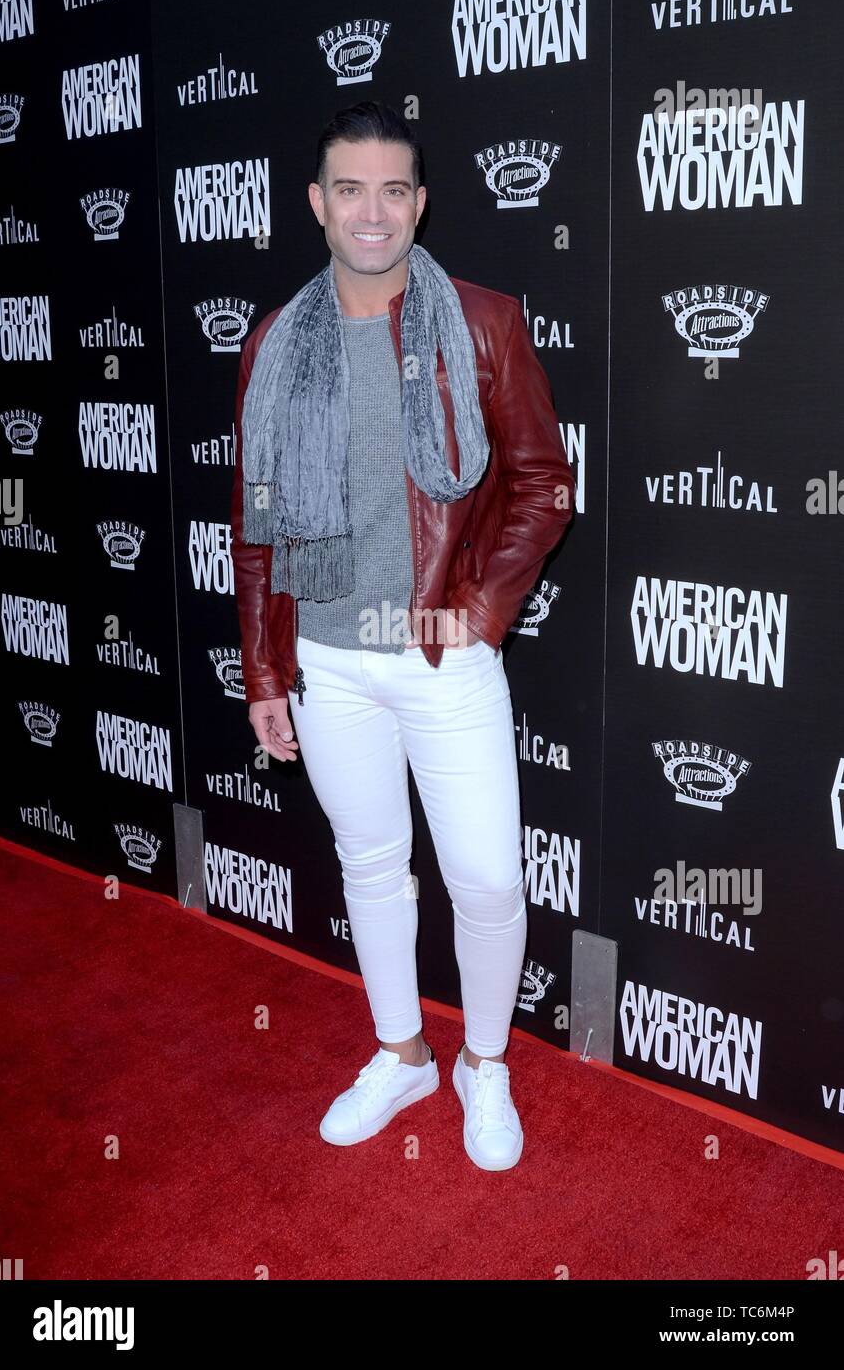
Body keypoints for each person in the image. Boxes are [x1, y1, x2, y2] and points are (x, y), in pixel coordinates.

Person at [231, 101, 575, 1171]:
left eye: (392, 190)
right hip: (329, 660)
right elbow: (255, 520)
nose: (370, 211)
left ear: (419, 205)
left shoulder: (482, 323)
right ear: (316, 205)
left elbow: (543, 486)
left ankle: (485, 1064)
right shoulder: (273, 346)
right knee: (372, 865)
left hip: (443, 655)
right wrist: (265, 670)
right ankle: (402, 1052)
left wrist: (477, 614)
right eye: (349, 189)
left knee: (483, 880)